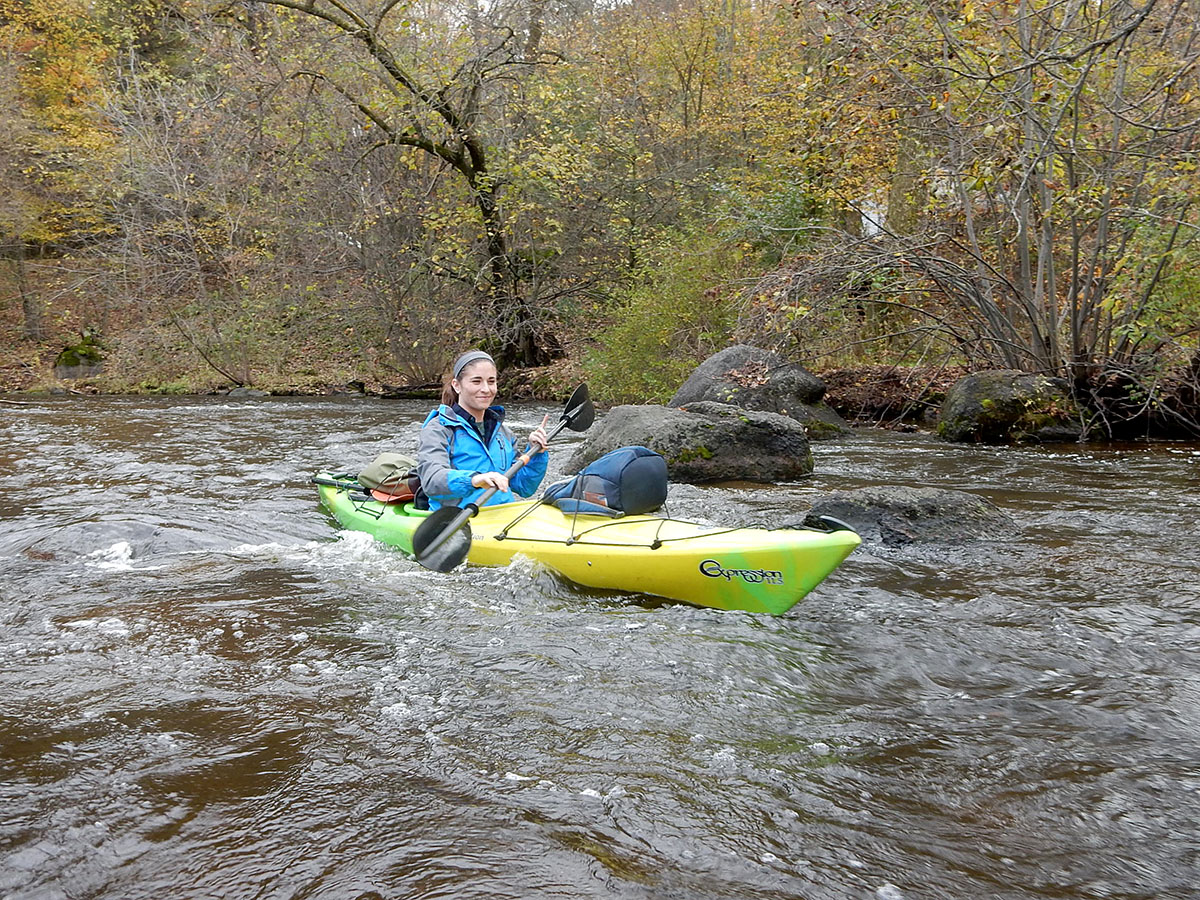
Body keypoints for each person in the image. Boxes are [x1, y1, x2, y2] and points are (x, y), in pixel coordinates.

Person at [416, 350, 550, 511]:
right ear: (457, 385)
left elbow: (524, 487)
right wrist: (474, 480)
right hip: (456, 521)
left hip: (501, 520)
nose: (486, 389)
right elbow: (432, 481)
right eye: (476, 381)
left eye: (491, 381)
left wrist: (537, 453)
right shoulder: (438, 430)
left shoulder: (503, 433)